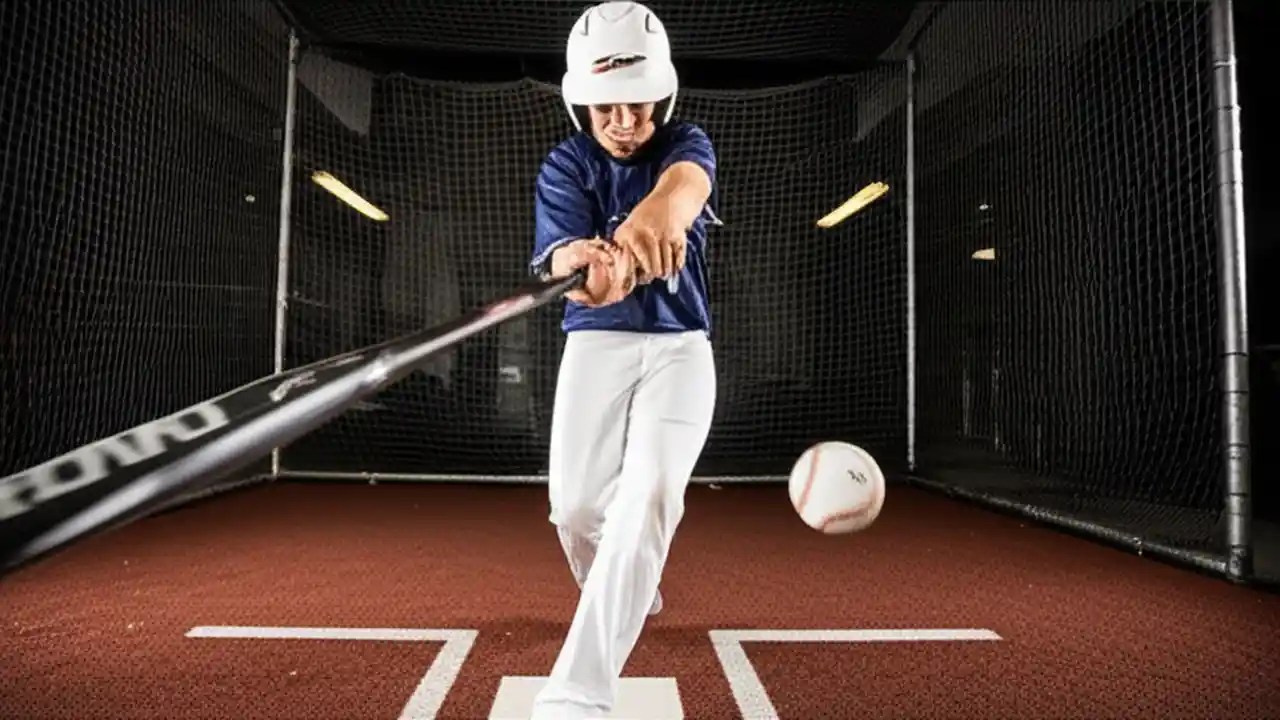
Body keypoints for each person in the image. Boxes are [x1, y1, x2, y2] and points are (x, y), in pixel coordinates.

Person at [526, 2, 721, 717]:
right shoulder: (565, 163)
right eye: (605, 106)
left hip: (679, 350)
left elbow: (683, 192)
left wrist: (655, 217)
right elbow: (568, 267)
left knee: (648, 500)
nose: (622, 121)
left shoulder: (686, 143)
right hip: (596, 345)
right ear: (583, 103)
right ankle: (626, 580)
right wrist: (580, 262)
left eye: (637, 104)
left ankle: (579, 693)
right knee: (575, 511)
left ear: (660, 97)